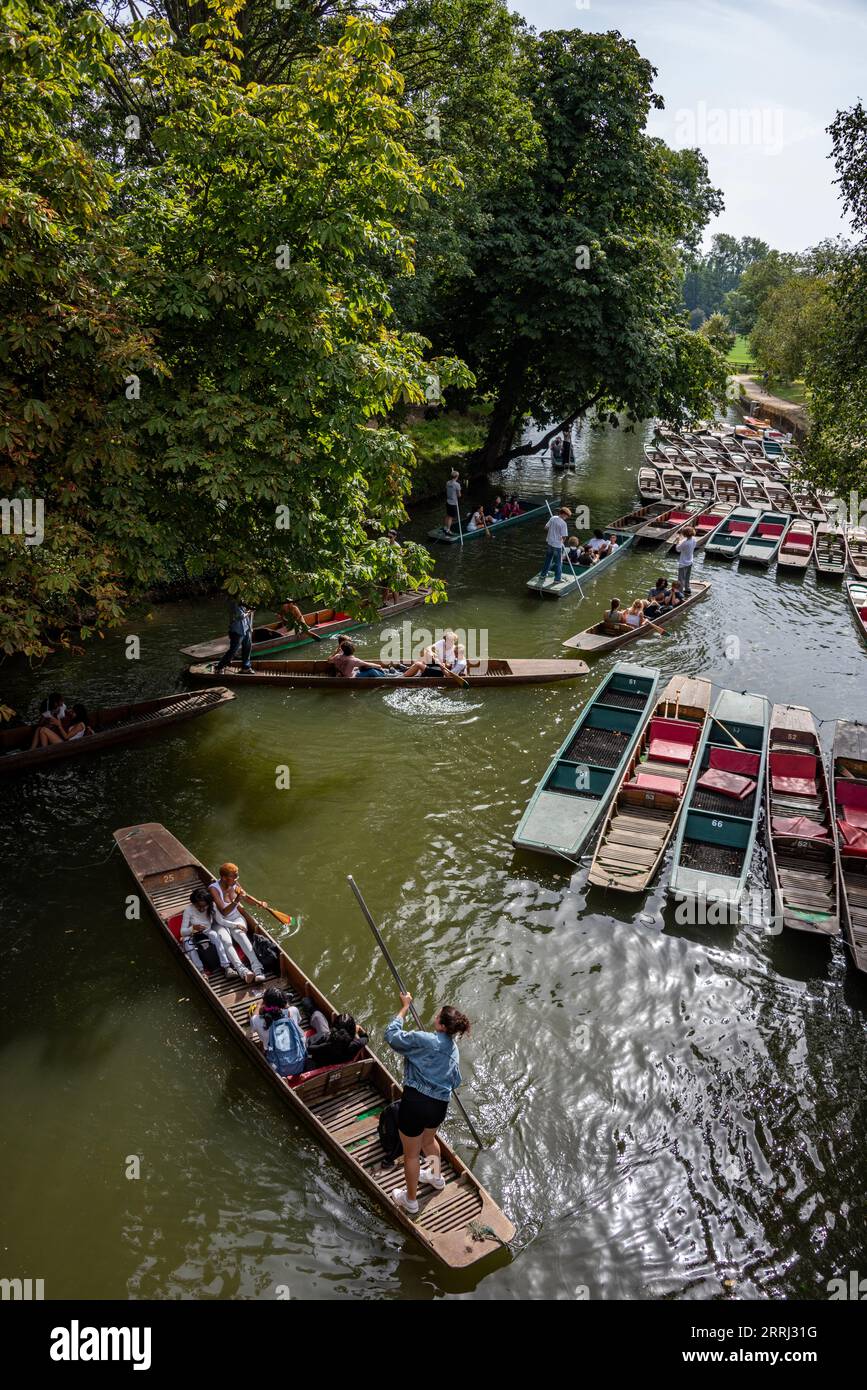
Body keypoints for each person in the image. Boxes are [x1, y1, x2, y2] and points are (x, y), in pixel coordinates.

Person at [384, 992, 470, 1215]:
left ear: (441, 1024)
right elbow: (456, 1080)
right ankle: (435, 1177)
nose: (435, 1014)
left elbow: (391, 1035)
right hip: (438, 1106)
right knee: (429, 1141)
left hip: (415, 1103)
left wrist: (404, 1007)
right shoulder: (453, 1050)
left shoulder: (425, 1040)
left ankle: (410, 1200)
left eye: (438, 1014)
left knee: (411, 1154)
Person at [208, 863, 269, 982]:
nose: (236, 880)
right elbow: (224, 912)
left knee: (240, 934)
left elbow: (246, 898)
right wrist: (237, 899)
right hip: (220, 921)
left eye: (237, 876)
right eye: (234, 877)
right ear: (224, 878)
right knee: (226, 941)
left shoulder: (235, 884)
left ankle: (257, 968)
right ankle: (242, 971)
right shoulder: (213, 889)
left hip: (236, 917)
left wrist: (258, 903)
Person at [180, 886, 251, 980]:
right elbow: (182, 932)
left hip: (207, 932)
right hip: (193, 935)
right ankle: (201, 970)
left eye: (204, 906)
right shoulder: (188, 910)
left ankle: (227, 967)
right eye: (198, 906)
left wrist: (236, 925)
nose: (201, 909)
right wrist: (192, 928)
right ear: (194, 903)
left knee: (215, 934)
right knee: (186, 942)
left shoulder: (212, 906)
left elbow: (221, 921)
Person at [249, 988, 310, 1077]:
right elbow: (298, 1021)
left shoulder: (256, 1020)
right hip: (300, 1063)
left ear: (265, 1003)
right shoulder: (293, 1010)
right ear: (284, 1003)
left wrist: (259, 1005)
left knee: (263, 1045)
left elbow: (253, 1021)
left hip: (279, 1068)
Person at [215, 601, 254, 674]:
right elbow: (240, 616)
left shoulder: (244, 601)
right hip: (237, 631)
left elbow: (246, 618)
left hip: (246, 629)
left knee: (247, 648)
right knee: (233, 651)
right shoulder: (234, 602)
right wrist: (249, 611)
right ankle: (220, 667)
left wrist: (250, 627)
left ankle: (246, 667)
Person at [330, 637, 395, 678]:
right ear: (352, 650)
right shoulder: (353, 660)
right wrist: (379, 666)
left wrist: (335, 652)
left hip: (344, 674)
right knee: (372, 671)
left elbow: (329, 660)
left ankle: (387, 672)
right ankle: (387, 676)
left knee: (363, 668)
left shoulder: (337, 656)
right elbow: (369, 664)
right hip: (351, 677)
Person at [538, 507, 572, 583]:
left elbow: (546, 528)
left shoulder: (553, 518)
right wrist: (562, 541)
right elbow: (564, 536)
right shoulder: (563, 523)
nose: (566, 518)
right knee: (558, 562)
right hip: (557, 545)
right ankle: (557, 579)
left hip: (550, 542)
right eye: (566, 516)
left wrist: (552, 532)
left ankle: (543, 574)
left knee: (548, 559)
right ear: (563, 514)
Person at [674, 526, 697, 596]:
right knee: (687, 577)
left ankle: (680, 593)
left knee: (681, 579)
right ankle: (687, 589)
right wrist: (680, 540)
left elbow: (678, 549)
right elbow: (684, 541)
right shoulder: (694, 539)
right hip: (690, 561)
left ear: (685, 534)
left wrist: (678, 541)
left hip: (683, 563)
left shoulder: (685, 543)